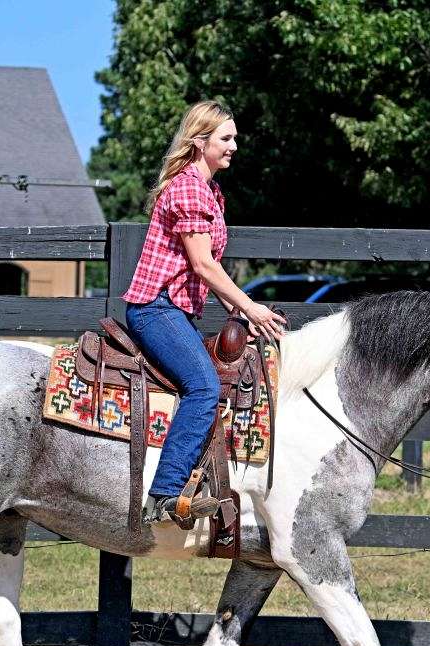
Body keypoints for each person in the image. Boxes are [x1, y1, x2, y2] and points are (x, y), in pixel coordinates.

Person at [122, 100, 288, 527]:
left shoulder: (211, 191)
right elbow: (203, 264)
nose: (234, 146)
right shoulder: (189, 189)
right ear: (200, 142)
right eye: (226, 138)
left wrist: (243, 313)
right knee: (203, 386)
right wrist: (249, 306)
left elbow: (207, 273)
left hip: (177, 312)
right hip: (155, 309)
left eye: (235, 138)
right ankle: (165, 493)